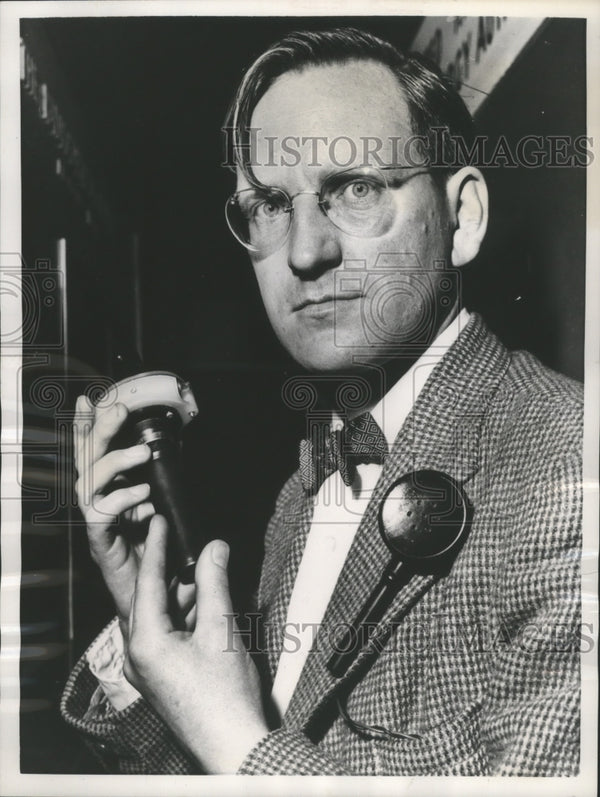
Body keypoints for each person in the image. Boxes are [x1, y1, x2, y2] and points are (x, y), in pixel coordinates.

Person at [61, 27, 583, 776]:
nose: (304, 252)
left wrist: (238, 739)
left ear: (461, 216)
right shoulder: (303, 492)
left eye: (356, 189)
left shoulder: (570, 469)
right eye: (269, 204)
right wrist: (163, 641)